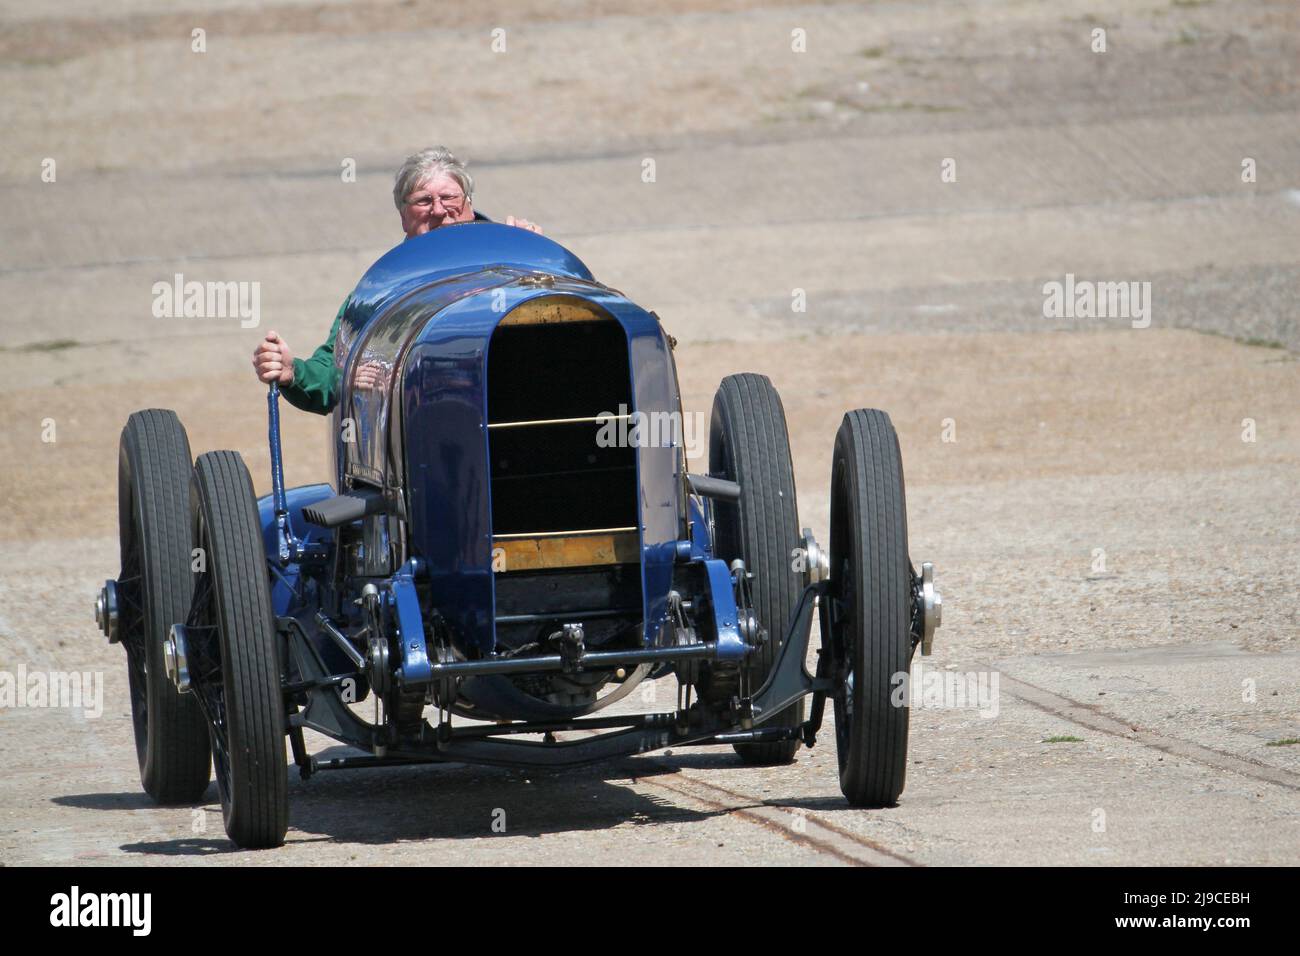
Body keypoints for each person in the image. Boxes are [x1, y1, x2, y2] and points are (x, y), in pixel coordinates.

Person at [252, 147, 541, 414]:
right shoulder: (381, 290)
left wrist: (535, 265)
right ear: (404, 217)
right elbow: (332, 370)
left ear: (468, 202)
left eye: (449, 197)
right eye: (424, 201)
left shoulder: (514, 259)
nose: (439, 210)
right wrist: (293, 373)